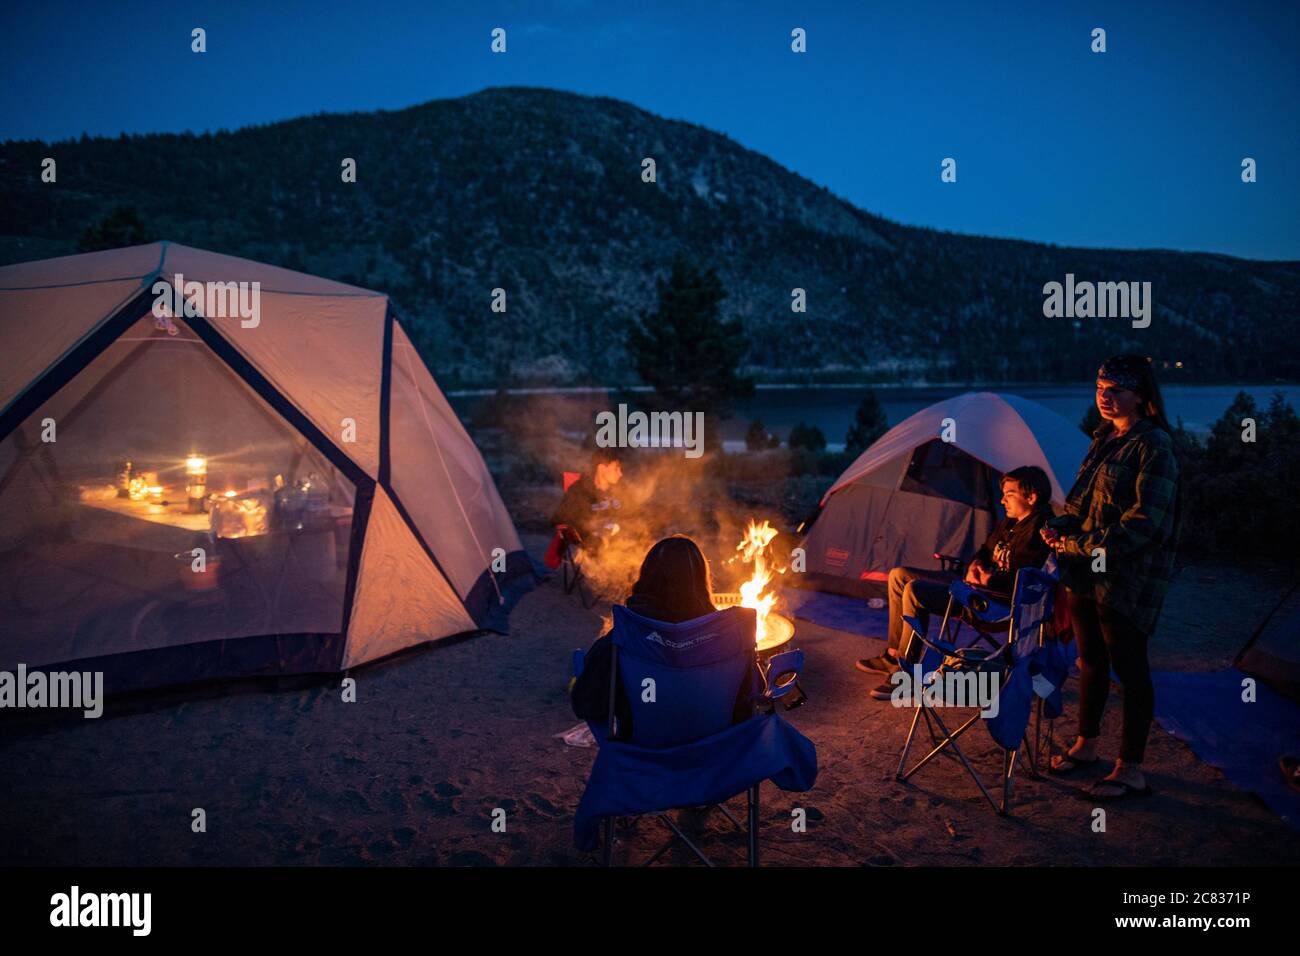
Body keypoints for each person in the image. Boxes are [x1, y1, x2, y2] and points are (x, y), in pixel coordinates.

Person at [1043, 355, 1181, 801]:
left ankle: (1132, 768)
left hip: (1126, 579)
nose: (1105, 396)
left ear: (1140, 395)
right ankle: (1087, 744)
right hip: (1084, 575)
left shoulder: (1154, 447)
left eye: (1116, 390)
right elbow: (1082, 504)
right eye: (1100, 387)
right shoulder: (1106, 437)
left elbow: (1144, 525)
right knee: (1092, 661)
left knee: (1131, 669)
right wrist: (1059, 528)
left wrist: (1078, 545)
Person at [858, 465, 1054, 701]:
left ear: (1031, 497)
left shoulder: (1041, 530)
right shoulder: (1010, 522)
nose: (1002, 500)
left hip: (991, 603)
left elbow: (1026, 579)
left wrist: (988, 579)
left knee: (915, 590)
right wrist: (975, 565)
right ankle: (893, 656)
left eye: (1009, 494)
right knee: (899, 575)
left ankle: (907, 671)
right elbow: (984, 551)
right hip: (976, 587)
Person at [570, 535, 748, 740]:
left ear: (646, 577)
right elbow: (750, 703)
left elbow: (586, 704)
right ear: (701, 582)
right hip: (712, 753)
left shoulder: (621, 641)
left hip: (643, 754)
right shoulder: (729, 639)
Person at [550, 447, 623, 555]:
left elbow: (630, 515)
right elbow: (560, 519)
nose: (620, 474)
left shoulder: (618, 491)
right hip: (593, 543)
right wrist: (596, 539)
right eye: (616, 469)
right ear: (602, 469)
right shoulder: (580, 490)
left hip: (617, 538)